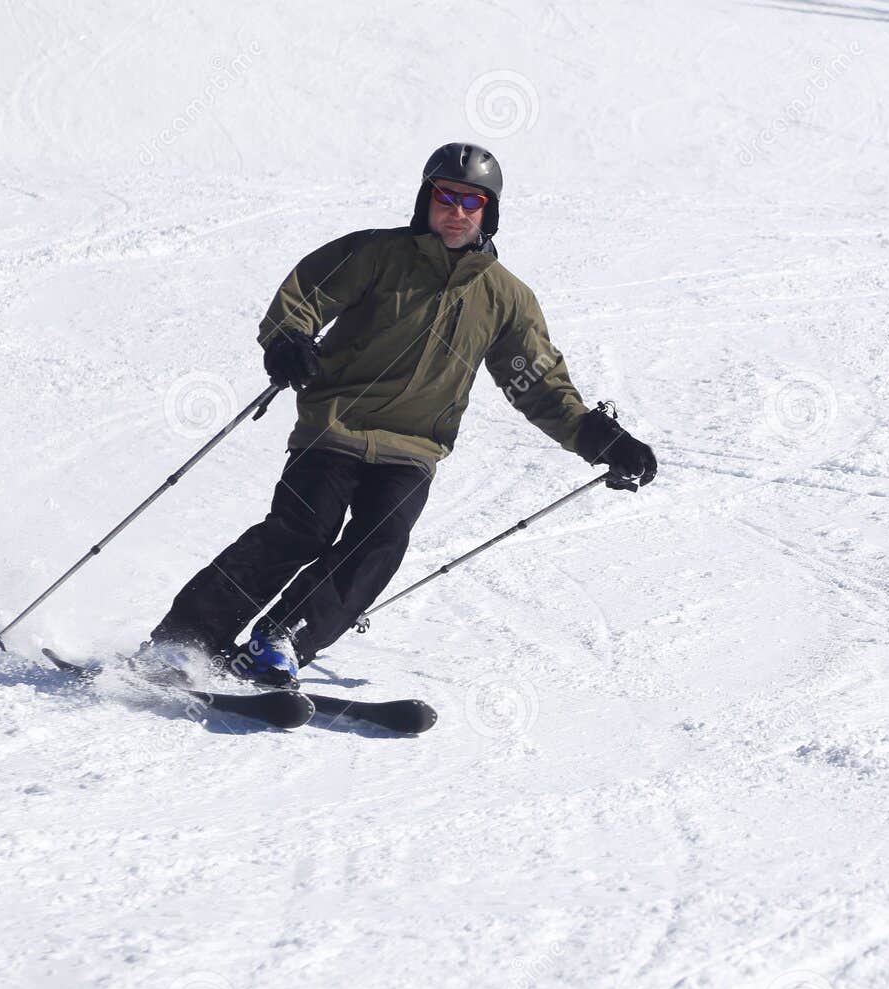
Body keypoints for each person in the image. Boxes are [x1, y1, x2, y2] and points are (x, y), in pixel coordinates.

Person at [144, 142, 656, 687]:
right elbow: (304, 297)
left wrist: (600, 439)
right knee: (301, 532)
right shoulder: (375, 255)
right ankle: (186, 640)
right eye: (445, 197)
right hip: (335, 426)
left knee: (379, 545)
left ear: (490, 212)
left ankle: (283, 640)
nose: (456, 212)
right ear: (425, 200)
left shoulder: (506, 298)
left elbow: (538, 385)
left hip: (413, 449)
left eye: (471, 202)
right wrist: (289, 339)